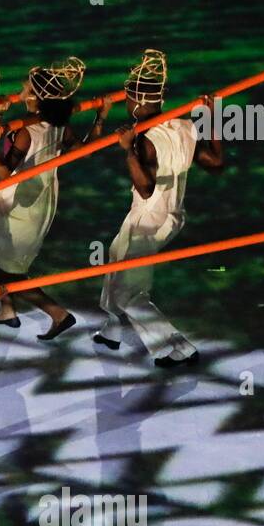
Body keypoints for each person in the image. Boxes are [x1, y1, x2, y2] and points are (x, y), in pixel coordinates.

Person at [94, 50, 222, 367]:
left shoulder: (143, 140)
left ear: (137, 101)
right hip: (172, 213)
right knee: (114, 256)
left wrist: (128, 152)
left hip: (148, 218)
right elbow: (215, 163)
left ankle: (173, 348)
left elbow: (146, 188)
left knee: (130, 294)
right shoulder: (185, 127)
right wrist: (214, 118)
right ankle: (111, 329)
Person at [0, 57, 91, 339]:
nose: (21, 87)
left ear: (37, 98)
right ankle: (7, 309)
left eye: (26, 86)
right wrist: (100, 119)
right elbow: (85, 152)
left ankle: (57, 313)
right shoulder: (59, 126)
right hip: (42, 199)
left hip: (18, 203)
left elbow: (2, 172)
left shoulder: (27, 132)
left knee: (11, 274)